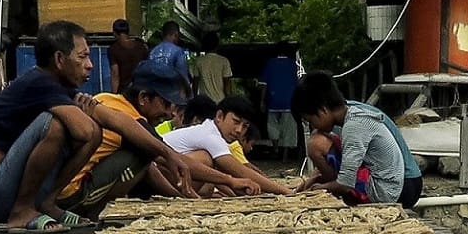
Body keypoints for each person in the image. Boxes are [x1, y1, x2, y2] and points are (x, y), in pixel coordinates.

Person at [0, 20, 99, 232]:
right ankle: (21, 212)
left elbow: (103, 125)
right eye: (82, 57)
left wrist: (164, 153)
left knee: (95, 132)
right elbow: (84, 130)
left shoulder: (59, 89)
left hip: (9, 186)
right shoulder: (40, 82)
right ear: (59, 59)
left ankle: (47, 203)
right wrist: (83, 115)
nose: (90, 64)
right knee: (55, 125)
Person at [55, 61, 200, 219]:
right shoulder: (133, 120)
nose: (170, 113)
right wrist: (228, 180)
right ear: (143, 98)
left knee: (148, 154)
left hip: (60, 189)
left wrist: (179, 198)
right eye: (165, 104)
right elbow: (174, 159)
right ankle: (94, 212)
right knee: (143, 152)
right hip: (71, 196)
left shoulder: (106, 97)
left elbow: (156, 166)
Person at [291, 69, 423, 208]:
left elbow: (346, 183)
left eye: (310, 120)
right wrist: (316, 178)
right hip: (401, 184)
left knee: (315, 143)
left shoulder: (353, 126)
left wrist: (320, 189)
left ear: (323, 110)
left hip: (390, 192)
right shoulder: (352, 113)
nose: (313, 126)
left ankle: (343, 195)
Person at [163, 94, 292, 196]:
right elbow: (240, 171)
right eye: (236, 122)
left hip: (167, 173)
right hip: (162, 174)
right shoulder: (210, 136)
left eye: (245, 126)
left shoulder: (210, 131)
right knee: (205, 159)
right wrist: (284, 191)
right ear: (219, 116)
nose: (239, 130)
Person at [261, 46, 301, 153]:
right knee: (289, 128)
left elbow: (264, 85)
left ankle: (275, 148)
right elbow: (297, 84)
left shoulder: (270, 63)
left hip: (273, 101)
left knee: (272, 126)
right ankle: (285, 154)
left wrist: (262, 101)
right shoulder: (293, 64)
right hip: (289, 102)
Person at [106, 18, 144, 92]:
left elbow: (115, 74)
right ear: (128, 31)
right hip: (141, 89)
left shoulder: (114, 49)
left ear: (114, 33)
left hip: (125, 91)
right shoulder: (141, 46)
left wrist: (114, 95)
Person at [193, 32, 234, 100]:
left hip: (204, 101)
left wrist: (195, 99)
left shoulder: (199, 61)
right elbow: (227, 85)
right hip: (220, 101)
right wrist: (229, 101)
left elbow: (195, 84)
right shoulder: (224, 61)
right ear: (217, 45)